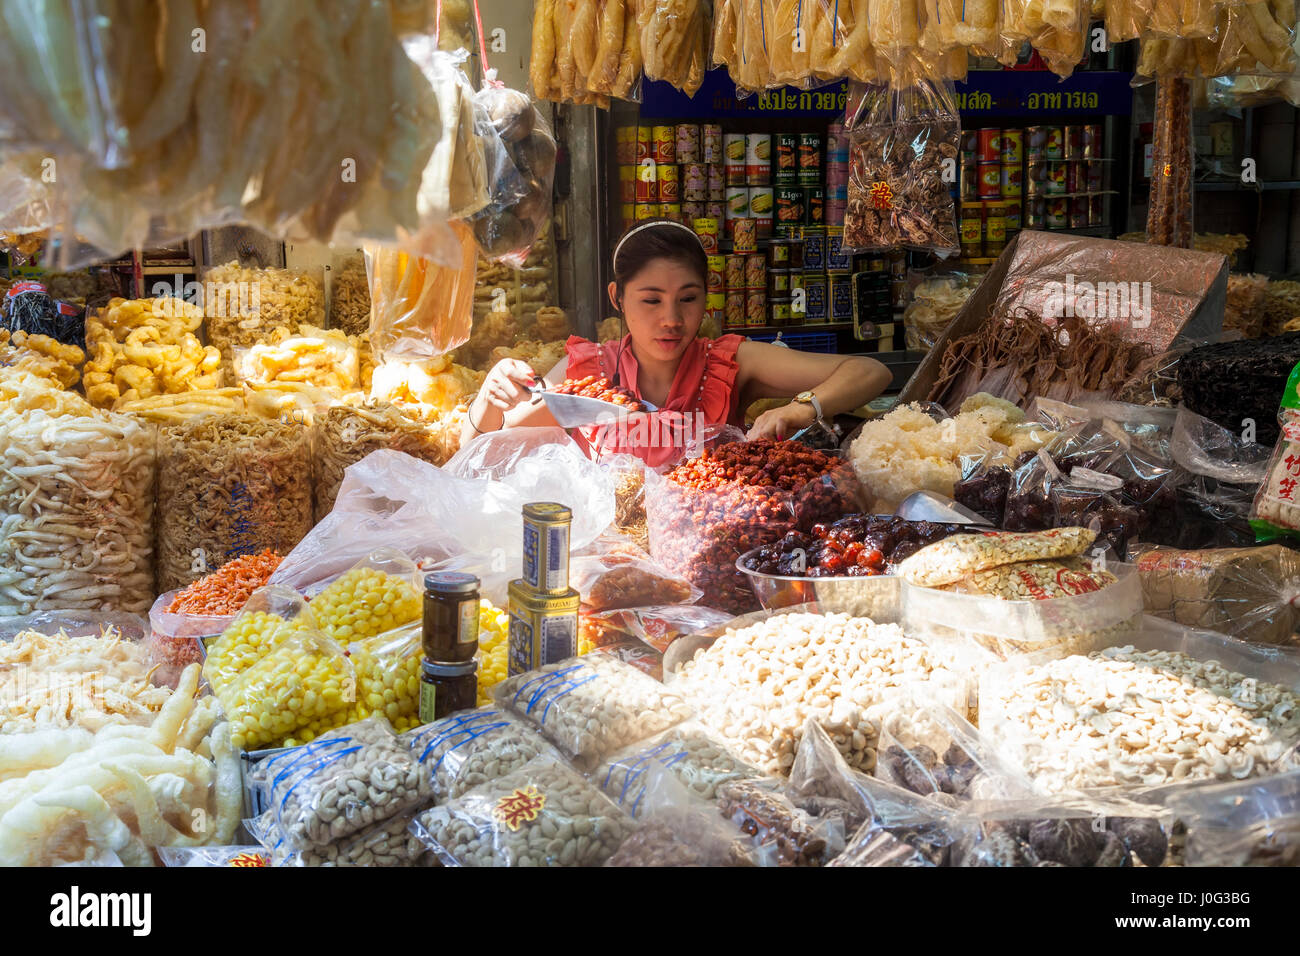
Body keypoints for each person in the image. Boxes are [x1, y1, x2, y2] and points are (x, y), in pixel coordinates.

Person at [463, 218, 892, 465]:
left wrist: (803, 407)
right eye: (651, 300)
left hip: (711, 553)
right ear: (618, 299)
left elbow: (871, 371)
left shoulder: (729, 362)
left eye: (688, 299)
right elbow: (482, 451)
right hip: (610, 562)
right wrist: (488, 400)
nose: (671, 320)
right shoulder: (586, 372)